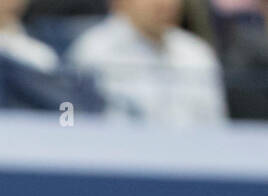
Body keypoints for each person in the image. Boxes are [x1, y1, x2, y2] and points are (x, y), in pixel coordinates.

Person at [67, 0, 228, 123]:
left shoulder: (198, 54)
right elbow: (83, 129)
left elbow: (216, 127)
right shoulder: (92, 52)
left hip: (193, 161)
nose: (164, 4)